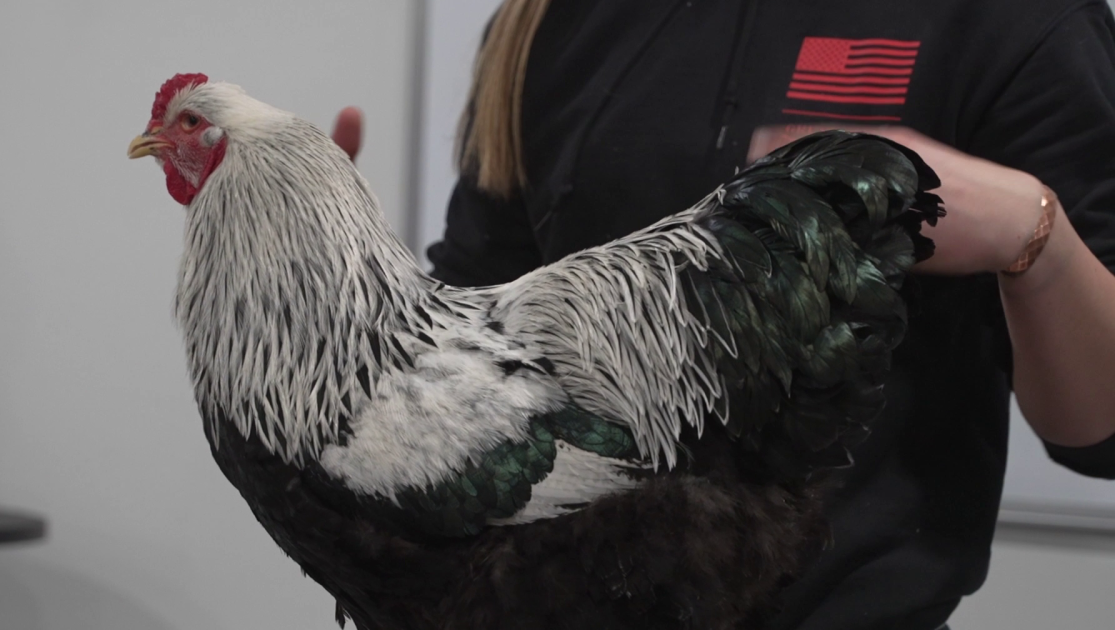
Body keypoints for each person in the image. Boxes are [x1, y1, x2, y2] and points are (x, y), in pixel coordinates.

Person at [331, 0, 1115, 627]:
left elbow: (1101, 432)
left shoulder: (1015, 19)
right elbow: (481, 342)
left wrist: (1033, 236)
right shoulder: (552, 20)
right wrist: (335, 288)